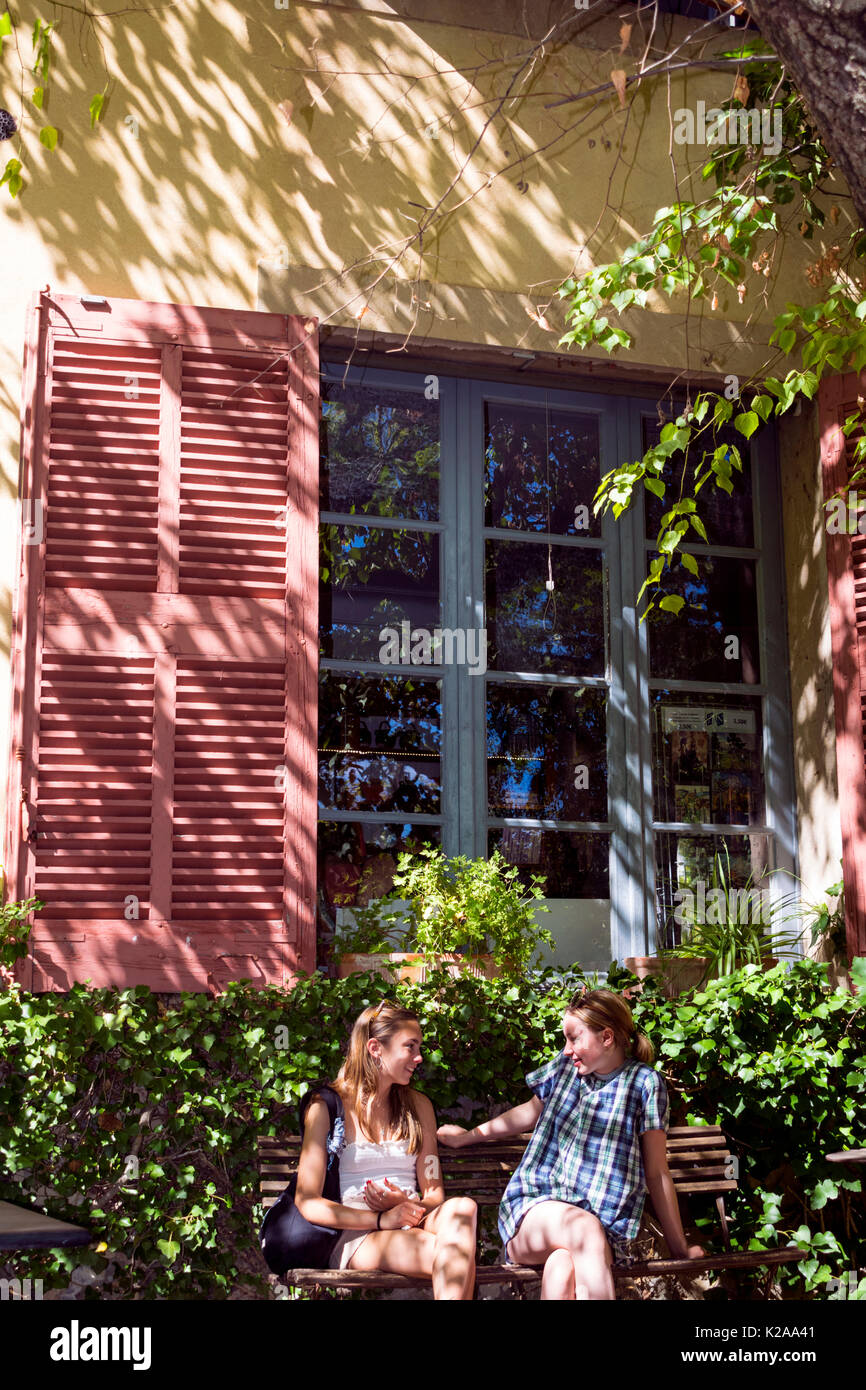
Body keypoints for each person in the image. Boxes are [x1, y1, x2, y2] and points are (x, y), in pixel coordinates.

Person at [437, 987, 704, 1300]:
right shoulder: (566, 1070)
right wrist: (470, 1135)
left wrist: (679, 1249)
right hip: (533, 1211)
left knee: (562, 1270)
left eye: (574, 1038)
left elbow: (657, 1172)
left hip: (602, 1228)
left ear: (607, 1037)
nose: (566, 1049)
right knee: (583, 1229)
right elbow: (528, 1112)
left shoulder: (644, 1083)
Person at [294, 999, 478, 1299]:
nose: (419, 1057)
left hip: (413, 1218)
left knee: (463, 1209)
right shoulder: (326, 1106)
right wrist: (382, 1218)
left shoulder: (419, 1106)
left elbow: (434, 1195)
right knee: (455, 1255)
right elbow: (307, 1202)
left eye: (419, 1048)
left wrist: (404, 1207)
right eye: (410, 1046)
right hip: (360, 1233)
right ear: (375, 1049)